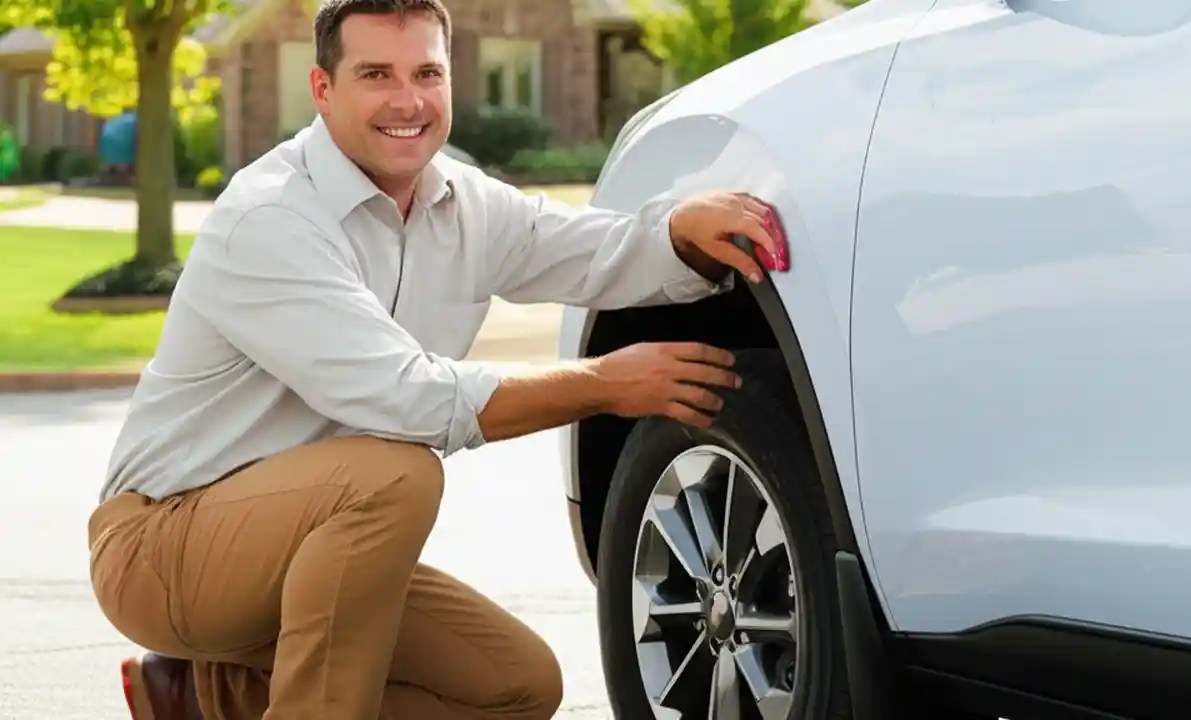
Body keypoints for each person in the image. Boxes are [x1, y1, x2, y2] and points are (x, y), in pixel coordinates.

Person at [87, 0, 785, 718]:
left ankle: (205, 698)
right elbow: (407, 397)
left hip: (314, 543)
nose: (408, 100)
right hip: (164, 545)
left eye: (427, 71)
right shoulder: (270, 217)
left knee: (515, 686)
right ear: (322, 89)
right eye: (376, 74)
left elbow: (591, 251)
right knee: (393, 474)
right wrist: (605, 384)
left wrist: (682, 231)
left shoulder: (460, 201)